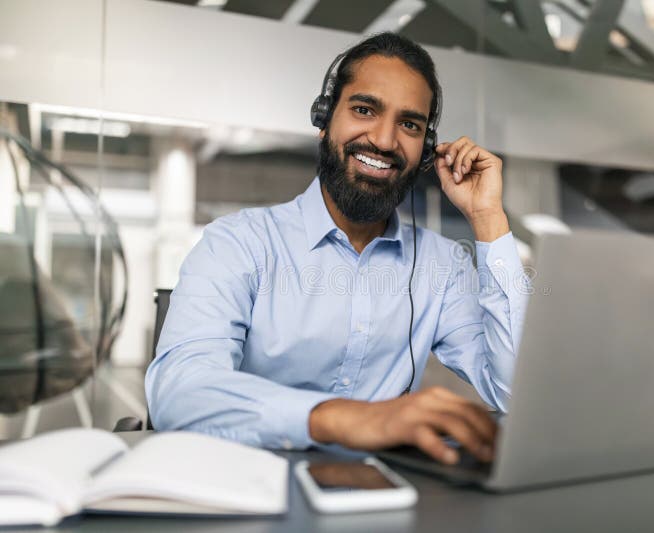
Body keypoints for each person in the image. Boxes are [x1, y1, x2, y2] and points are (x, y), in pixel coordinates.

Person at [145, 32, 530, 465]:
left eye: (409, 125)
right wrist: (339, 419)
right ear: (325, 119)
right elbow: (178, 392)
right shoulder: (237, 244)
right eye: (364, 110)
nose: (384, 141)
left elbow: (515, 391)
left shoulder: (442, 265)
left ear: (426, 149)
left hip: (384, 494)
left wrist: (488, 218)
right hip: (249, 484)